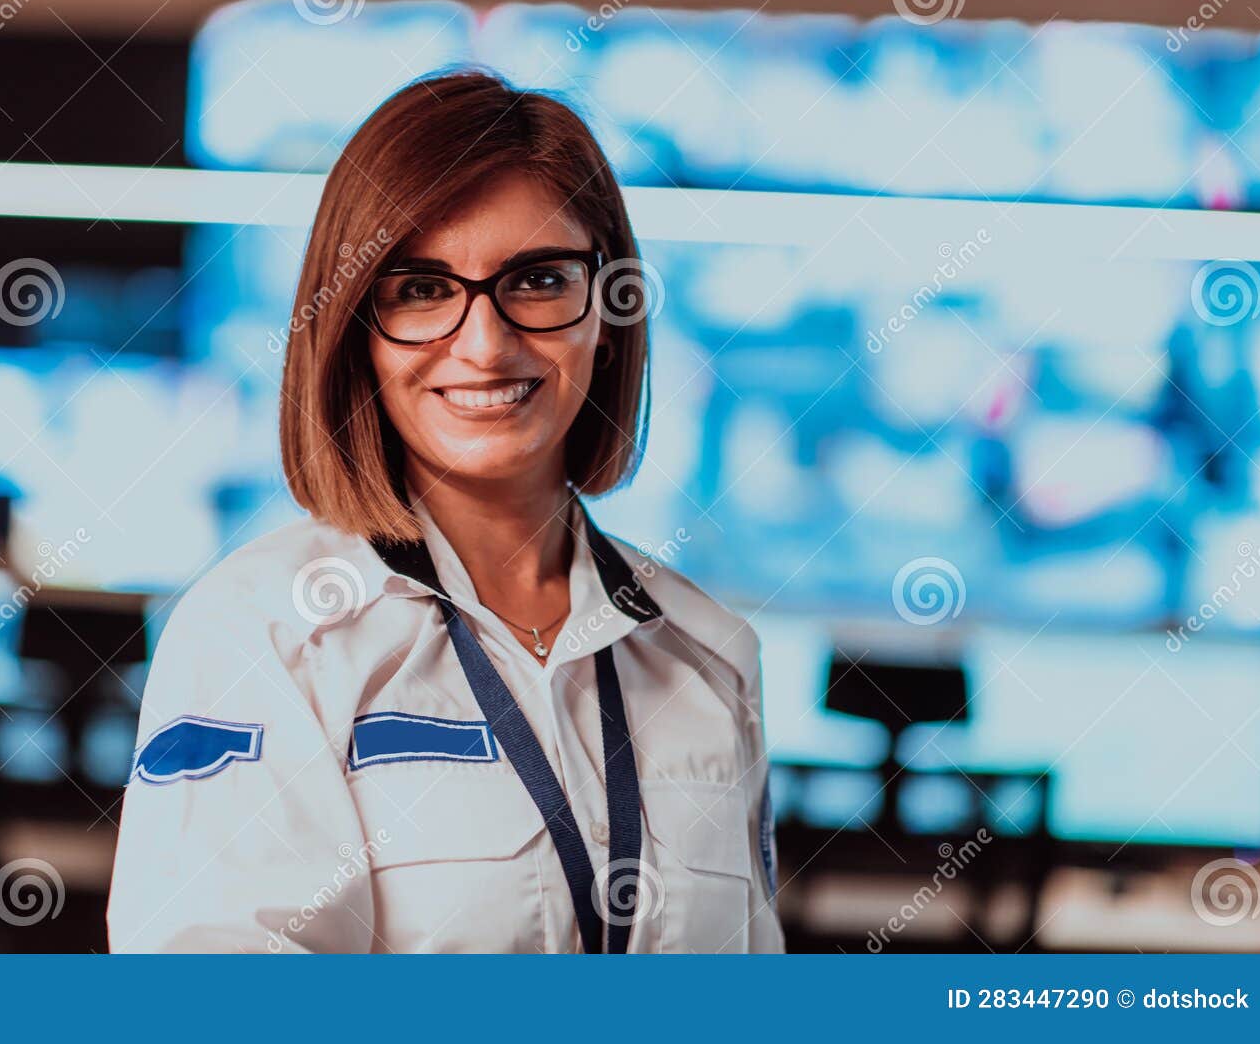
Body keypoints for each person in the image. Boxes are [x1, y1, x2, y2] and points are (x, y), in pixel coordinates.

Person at [107, 70, 783, 953]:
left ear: (609, 312)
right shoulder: (259, 636)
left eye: (538, 279)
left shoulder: (711, 658)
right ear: (353, 325)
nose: (486, 343)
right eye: (421, 289)